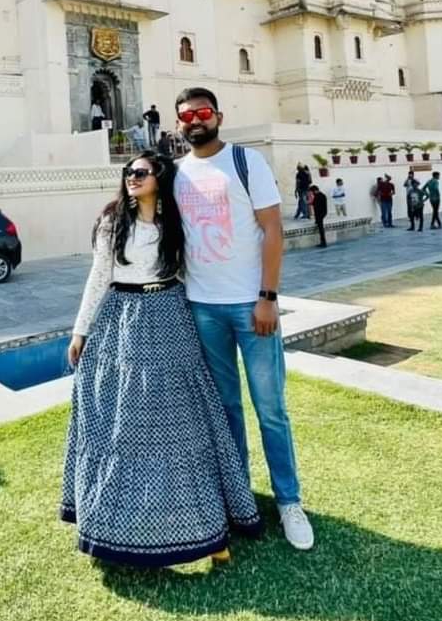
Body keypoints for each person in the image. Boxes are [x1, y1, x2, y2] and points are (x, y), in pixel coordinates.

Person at [61, 151, 261, 565]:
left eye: (140, 172)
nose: (132, 177)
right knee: (123, 426)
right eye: (128, 172)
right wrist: (80, 331)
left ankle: (208, 529)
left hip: (171, 314)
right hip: (123, 320)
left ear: (159, 177)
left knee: (184, 422)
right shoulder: (113, 221)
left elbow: (198, 266)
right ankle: (110, 529)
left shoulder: (177, 222)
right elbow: (99, 277)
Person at [173, 87, 314, 550]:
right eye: (187, 116)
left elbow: (273, 227)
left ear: (218, 116)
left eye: (203, 113)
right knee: (225, 409)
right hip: (202, 306)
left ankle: (289, 501)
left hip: (249, 304)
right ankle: (239, 496)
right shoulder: (176, 173)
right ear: (179, 124)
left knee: (270, 409)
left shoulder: (244, 162)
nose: (195, 121)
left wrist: (268, 297)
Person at [309, 182, 329, 247]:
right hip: (321, 213)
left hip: (320, 214)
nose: (312, 193)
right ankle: (323, 242)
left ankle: (323, 242)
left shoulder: (319, 196)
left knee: (321, 229)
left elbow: (315, 204)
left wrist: (309, 203)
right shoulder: (321, 195)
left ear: (315, 190)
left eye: (312, 192)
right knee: (320, 227)